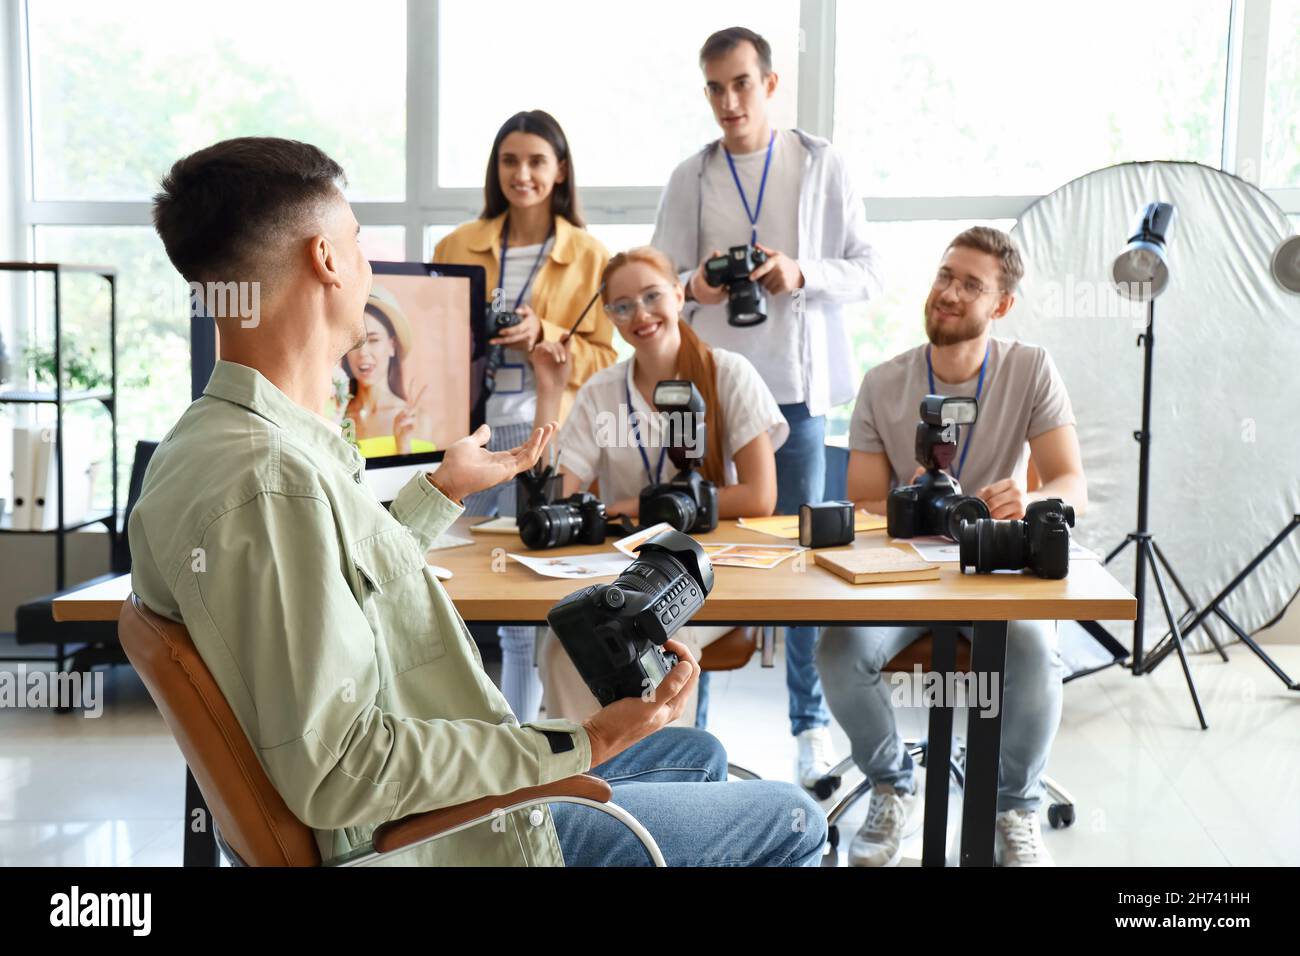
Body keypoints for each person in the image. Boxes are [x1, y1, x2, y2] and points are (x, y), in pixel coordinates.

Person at [131, 136, 825, 867]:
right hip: (435, 836)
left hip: (431, 794)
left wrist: (440, 492)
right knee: (794, 819)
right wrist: (588, 740)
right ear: (326, 259)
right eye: (359, 240)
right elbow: (340, 772)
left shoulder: (233, 441)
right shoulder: (268, 483)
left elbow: (336, 587)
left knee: (695, 754)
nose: (368, 263)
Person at [651, 26, 883, 787]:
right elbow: (662, 279)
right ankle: (693, 734)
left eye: (741, 84)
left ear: (771, 85)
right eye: (715, 88)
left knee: (802, 564)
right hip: (713, 396)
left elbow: (866, 272)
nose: (728, 101)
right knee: (696, 556)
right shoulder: (693, 175)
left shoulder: (820, 165)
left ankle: (809, 725)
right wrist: (699, 285)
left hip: (797, 394)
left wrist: (799, 272)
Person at [816, 227, 1087, 867]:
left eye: (972, 285)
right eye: (945, 276)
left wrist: (1037, 502)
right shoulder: (884, 381)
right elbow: (861, 500)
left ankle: (1013, 807)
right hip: (903, 574)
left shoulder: (1029, 367)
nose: (950, 293)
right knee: (837, 652)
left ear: (1001, 305)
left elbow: (1071, 476)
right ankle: (891, 784)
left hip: (993, 568)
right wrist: (907, 499)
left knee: (1034, 654)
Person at [538, 246, 787, 725]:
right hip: (627, 577)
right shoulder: (601, 391)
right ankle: (578, 789)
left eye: (652, 296)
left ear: (679, 294)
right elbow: (561, 495)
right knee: (564, 647)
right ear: (609, 316)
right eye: (623, 305)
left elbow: (761, 495)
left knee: (654, 651)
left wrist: (634, 506)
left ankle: (668, 789)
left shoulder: (727, 373)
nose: (641, 314)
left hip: (704, 577)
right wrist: (550, 390)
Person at [433, 110, 617, 723]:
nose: (523, 174)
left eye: (537, 161)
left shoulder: (590, 255)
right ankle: (479, 734)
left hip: (543, 434)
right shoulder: (457, 245)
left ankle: (523, 740)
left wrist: (548, 331)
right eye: (510, 161)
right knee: (458, 581)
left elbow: (603, 361)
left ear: (560, 170)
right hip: (472, 434)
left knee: (526, 594)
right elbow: (432, 339)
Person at [340, 287, 436, 457]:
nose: (363, 352)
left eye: (374, 340)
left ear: (392, 346)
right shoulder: (335, 415)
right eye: (355, 343)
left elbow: (422, 480)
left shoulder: (416, 421)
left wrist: (404, 447)